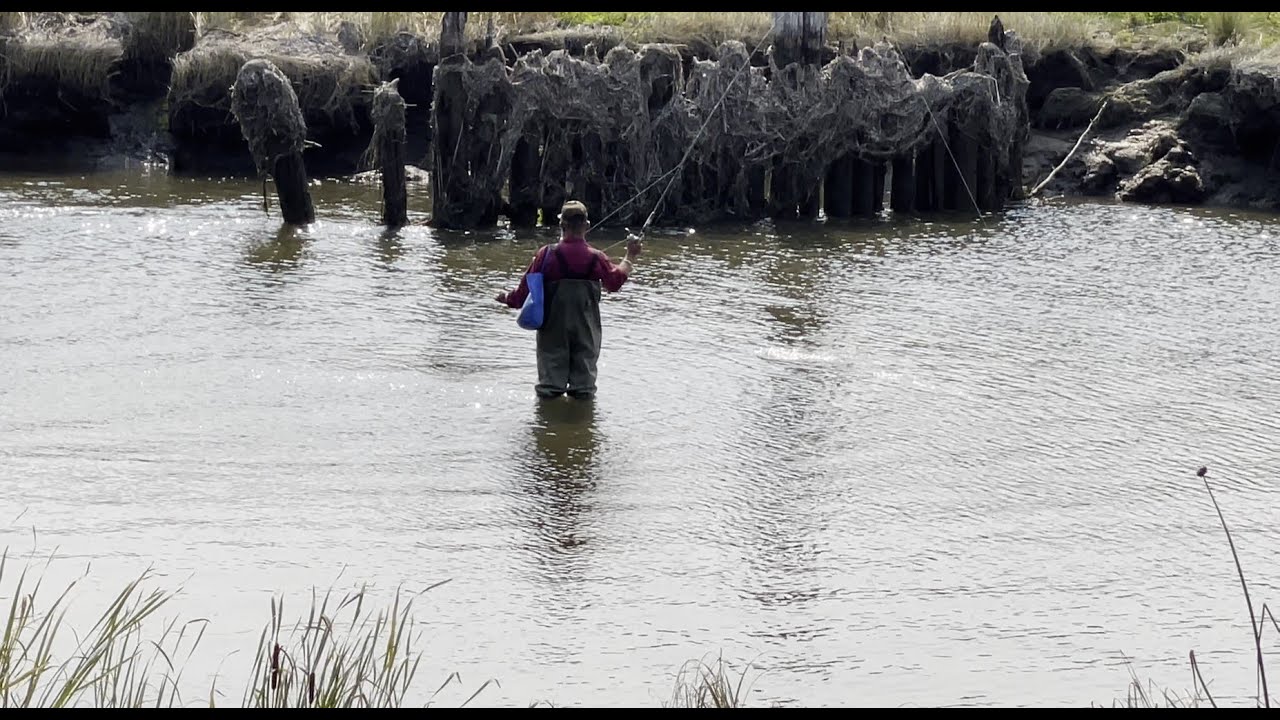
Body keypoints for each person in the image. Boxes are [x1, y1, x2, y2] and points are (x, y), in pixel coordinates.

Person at [496, 200, 642, 400]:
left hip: (552, 331)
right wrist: (630, 257)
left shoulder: (545, 255)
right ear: (587, 226)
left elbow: (521, 295)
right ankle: (582, 426)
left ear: (561, 226)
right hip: (586, 331)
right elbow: (614, 283)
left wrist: (506, 298)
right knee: (584, 391)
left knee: (549, 389)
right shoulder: (596, 257)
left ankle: (547, 426)